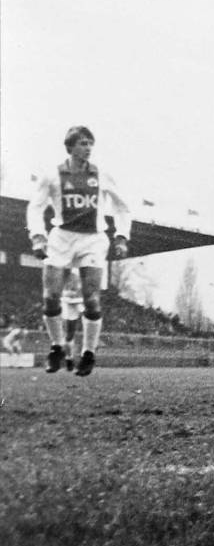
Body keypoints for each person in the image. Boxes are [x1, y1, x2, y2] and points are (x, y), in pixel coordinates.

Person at [26, 126, 131, 377]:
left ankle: (88, 354)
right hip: (61, 238)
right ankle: (56, 347)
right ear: (70, 147)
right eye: (83, 143)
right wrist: (38, 236)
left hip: (92, 240)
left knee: (91, 299)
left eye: (90, 143)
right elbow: (35, 207)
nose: (88, 148)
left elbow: (122, 207)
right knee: (51, 296)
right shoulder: (53, 175)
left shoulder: (101, 174)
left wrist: (121, 236)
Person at [61, 268, 87, 372]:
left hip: (73, 317)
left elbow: (79, 305)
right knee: (68, 339)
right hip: (68, 317)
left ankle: (71, 361)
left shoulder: (74, 291)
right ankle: (69, 360)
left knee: (70, 339)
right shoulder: (67, 291)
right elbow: (70, 300)